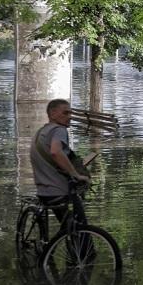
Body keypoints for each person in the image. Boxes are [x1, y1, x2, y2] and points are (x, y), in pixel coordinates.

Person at [29, 98, 91, 229]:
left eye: (70, 113)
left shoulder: (40, 132)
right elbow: (55, 152)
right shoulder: (59, 130)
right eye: (65, 113)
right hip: (59, 191)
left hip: (42, 191)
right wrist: (76, 175)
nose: (70, 117)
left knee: (67, 226)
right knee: (81, 230)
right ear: (52, 114)